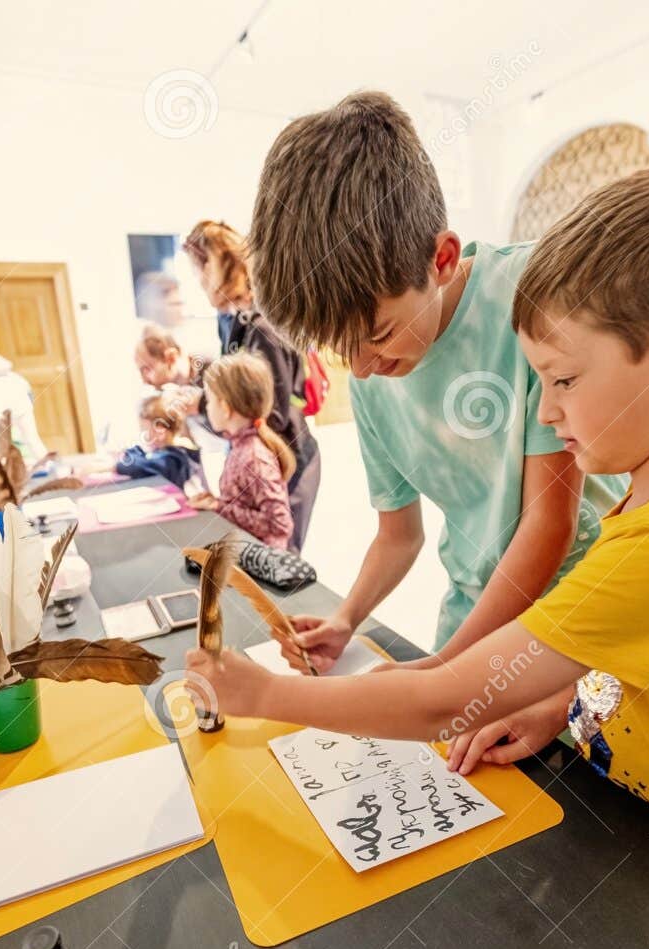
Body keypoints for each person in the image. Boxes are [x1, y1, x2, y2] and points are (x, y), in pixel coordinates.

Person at [188, 165, 649, 933]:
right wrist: (557, 701)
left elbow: (441, 701)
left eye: (564, 378)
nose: (546, 409)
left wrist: (264, 696)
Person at [245, 91, 626, 673]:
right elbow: (399, 535)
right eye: (340, 350)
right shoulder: (373, 376)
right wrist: (347, 619)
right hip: (475, 612)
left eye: (379, 333)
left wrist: (446, 670)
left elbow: (550, 523)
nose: (365, 368)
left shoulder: (530, 294)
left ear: (442, 260)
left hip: (573, 615)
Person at [183, 220, 321, 552]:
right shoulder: (229, 320)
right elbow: (234, 386)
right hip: (259, 449)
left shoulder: (264, 326)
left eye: (199, 271)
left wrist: (203, 406)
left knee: (282, 554)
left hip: (286, 452)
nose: (198, 282)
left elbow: (267, 409)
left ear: (213, 266)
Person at [188, 352, 295, 550]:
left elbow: (279, 524)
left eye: (209, 400)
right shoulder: (240, 447)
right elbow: (244, 504)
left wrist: (220, 507)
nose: (207, 407)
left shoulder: (254, 457)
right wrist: (216, 503)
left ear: (226, 408)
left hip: (258, 569)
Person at [114, 394, 202, 489]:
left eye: (144, 430)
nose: (143, 435)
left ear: (160, 431)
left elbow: (139, 466)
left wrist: (116, 465)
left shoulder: (171, 459)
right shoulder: (174, 453)